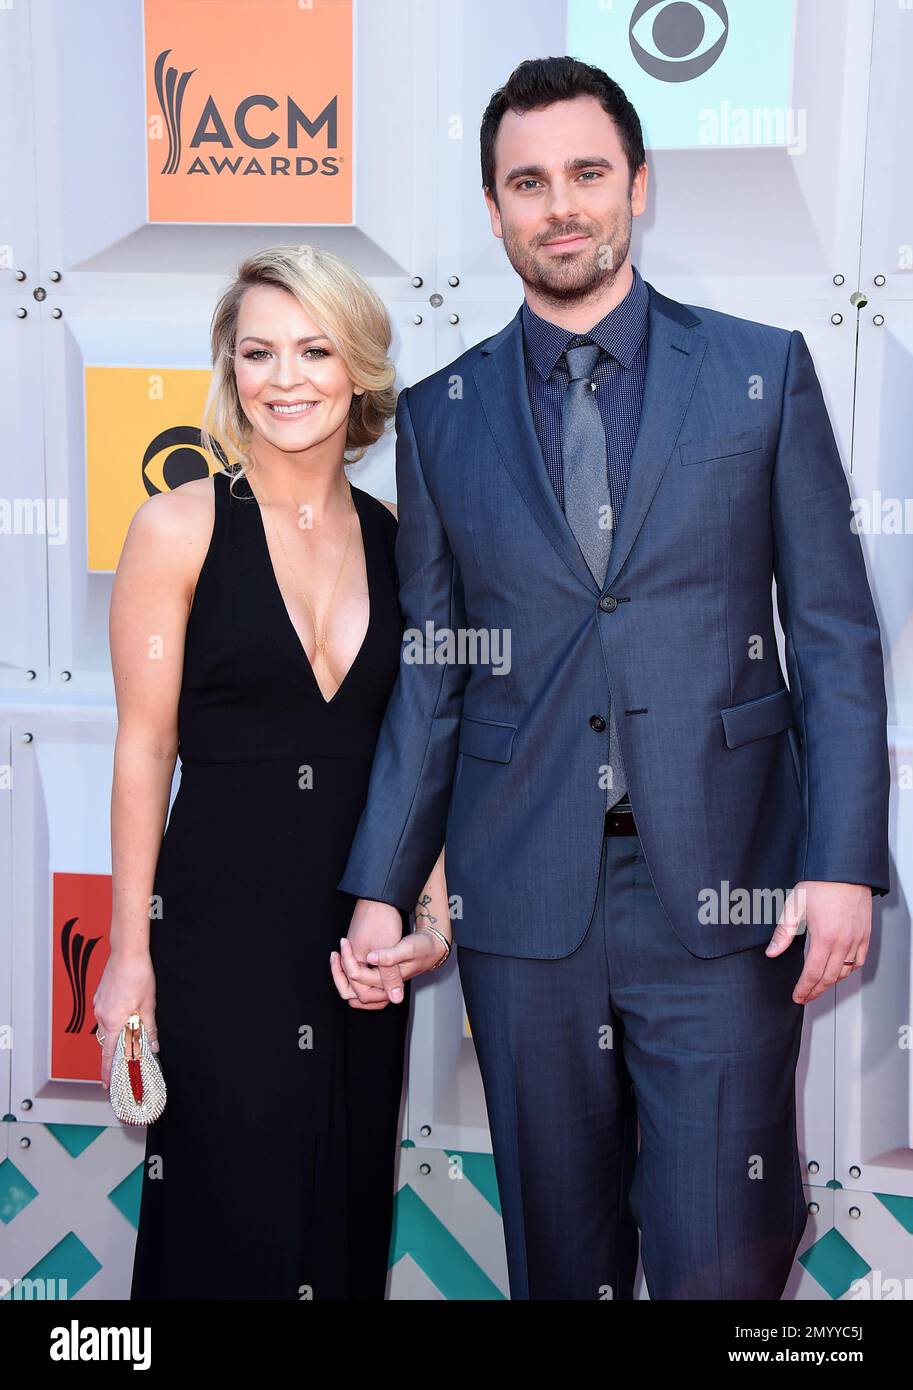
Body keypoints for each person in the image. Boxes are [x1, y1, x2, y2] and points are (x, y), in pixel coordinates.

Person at [333, 58, 891, 1299]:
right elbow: (433, 674)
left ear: (637, 184)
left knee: (721, 1258)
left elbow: (833, 635)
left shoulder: (758, 370)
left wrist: (843, 860)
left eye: (586, 173)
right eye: (527, 182)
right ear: (494, 210)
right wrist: (380, 887)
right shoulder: (441, 415)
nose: (560, 205)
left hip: (729, 894)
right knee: (561, 1259)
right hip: (522, 903)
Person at [94, 243, 450, 1301]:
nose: (284, 378)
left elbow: (418, 746)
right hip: (216, 941)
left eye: (314, 349)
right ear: (231, 369)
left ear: (360, 369)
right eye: (258, 352)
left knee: (338, 1217)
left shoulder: (398, 541)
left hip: (356, 943)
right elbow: (143, 747)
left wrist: (431, 920)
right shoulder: (178, 527)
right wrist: (129, 957)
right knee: (224, 1225)